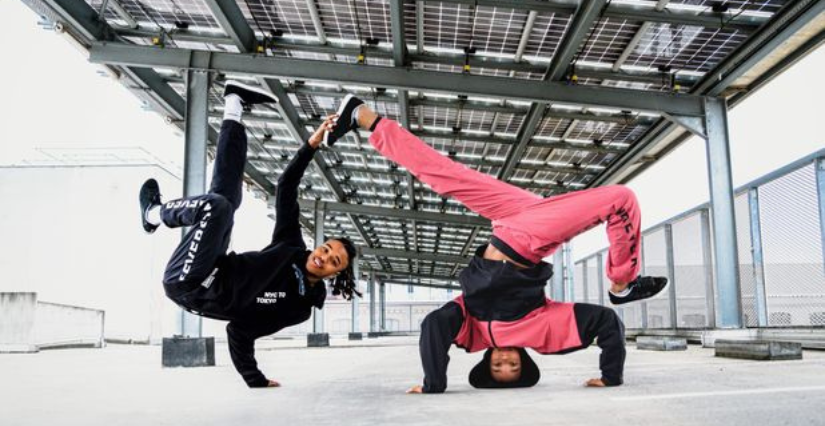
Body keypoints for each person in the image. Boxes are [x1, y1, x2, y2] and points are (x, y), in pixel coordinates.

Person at [323, 95, 667, 393]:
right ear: (524, 361)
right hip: (528, 240)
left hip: (509, 222)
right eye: (513, 366)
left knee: (443, 173)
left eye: (497, 366)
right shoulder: (542, 329)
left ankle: (363, 116)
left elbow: (433, 326)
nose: (504, 360)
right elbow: (607, 323)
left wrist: (434, 384)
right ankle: (622, 283)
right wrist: (611, 376)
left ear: (486, 361)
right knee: (620, 200)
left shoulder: (470, 330)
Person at [138, 81, 358, 388]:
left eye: (334, 261)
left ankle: (153, 213)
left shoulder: (298, 310)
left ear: (336, 273)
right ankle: (234, 104)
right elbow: (286, 188)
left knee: (217, 207)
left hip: (189, 286)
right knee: (226, 199)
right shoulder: (291, 246)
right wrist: (312, 144)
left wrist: (255, 379)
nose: (324, 258)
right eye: (326, 249)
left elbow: (240, 331)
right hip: (213, 264)